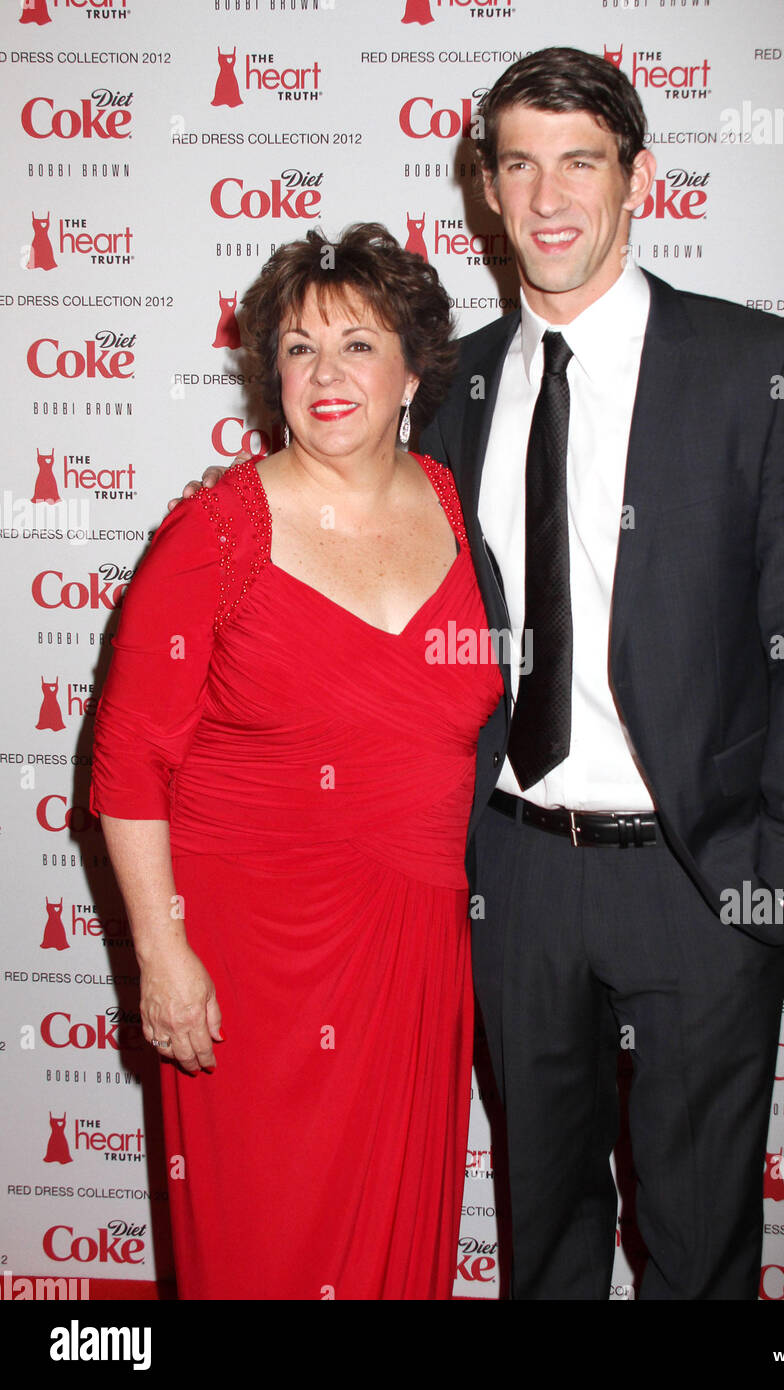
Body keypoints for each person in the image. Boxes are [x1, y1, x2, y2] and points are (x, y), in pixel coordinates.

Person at [186, 50, 784, 1301]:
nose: (549, 195)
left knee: (701, 1236)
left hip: (700, 877)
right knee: (543, 1229)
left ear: (637, 178)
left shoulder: (756, 368)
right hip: (507, 874)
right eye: (518, 164)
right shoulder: (449, 389)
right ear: (487, 193)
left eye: (581, 162)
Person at [92, 224, 502, 1300]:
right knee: (262, 1249)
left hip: (415, 954)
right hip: (251, 961)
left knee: (392, 1249)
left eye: (358, 345)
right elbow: (129, 764)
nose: (327, 375)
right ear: (268, 372)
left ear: (413, 368)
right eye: (299, 348)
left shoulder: (462, 512)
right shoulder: (215, 530)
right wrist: (163, 958)